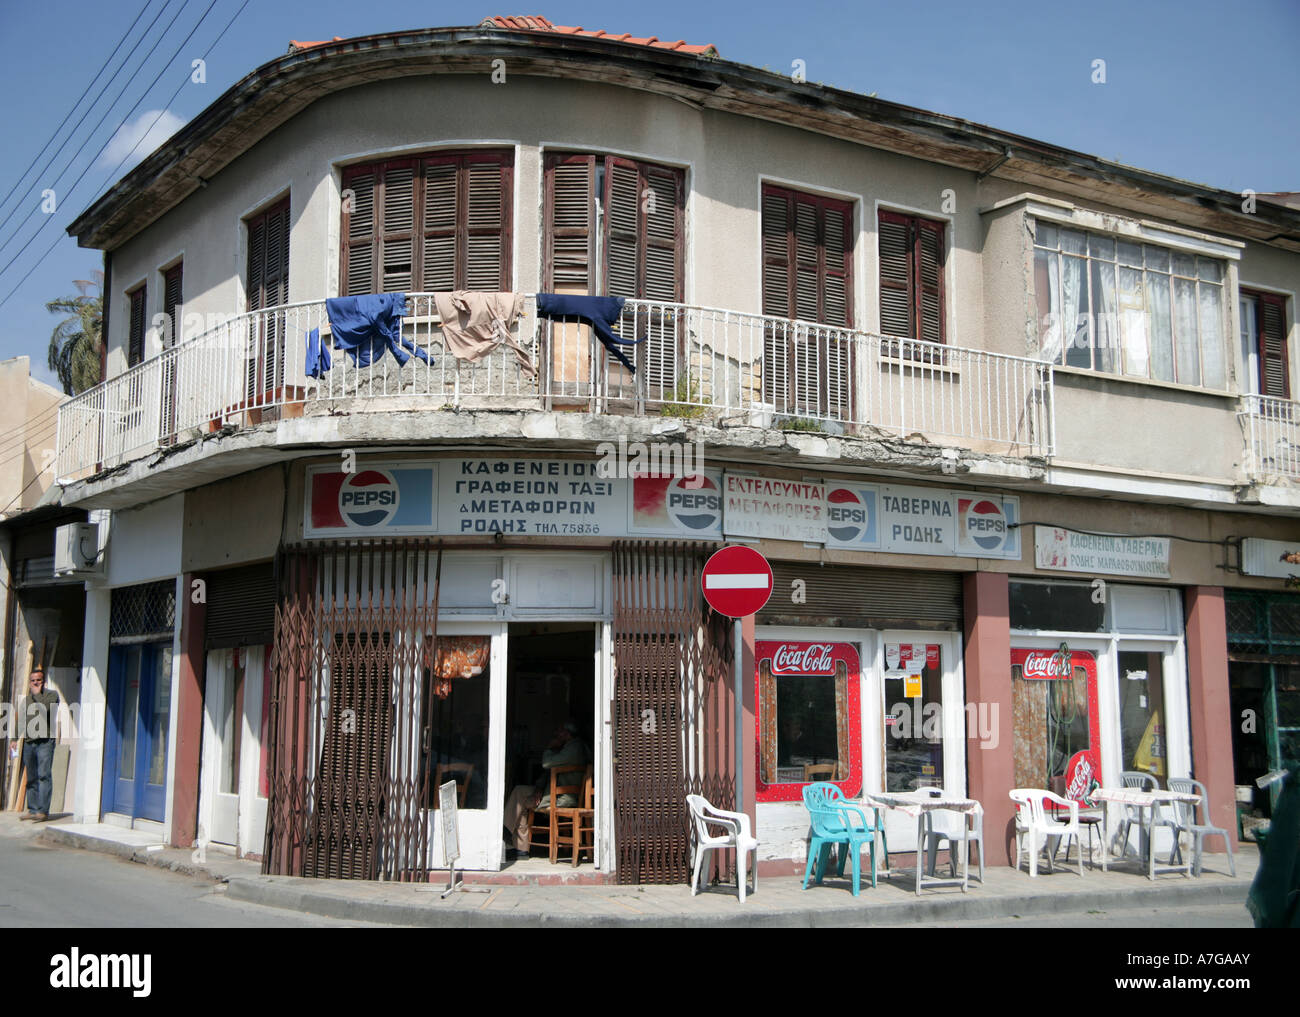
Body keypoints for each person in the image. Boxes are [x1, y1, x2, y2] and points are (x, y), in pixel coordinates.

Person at [503, 720, 590, 855]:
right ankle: (513, 839)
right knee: (519, 791)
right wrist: (538, 788)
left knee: (521, 802)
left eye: (559, 731)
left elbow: (546, 764)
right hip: (550, 791)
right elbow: (548, 773)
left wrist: (549, 748)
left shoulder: (575, 748)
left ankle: (513, 840)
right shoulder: (567, 748)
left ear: (567, 733)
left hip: (563, 797)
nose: (556, 734)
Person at [18, 668, 60, 822]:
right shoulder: (26, 700)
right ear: (30, 683)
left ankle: (43, 811)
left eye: (38, 680)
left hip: (45, 742)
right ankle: (33, 809)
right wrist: (15, 739)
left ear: (44, 682)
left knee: (44, 776)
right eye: (33, 680)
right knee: (31, 777)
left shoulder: (51, 695)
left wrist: (37, 695)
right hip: (30, 742)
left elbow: (45, 709)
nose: (35, 683)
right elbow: (21, 720)